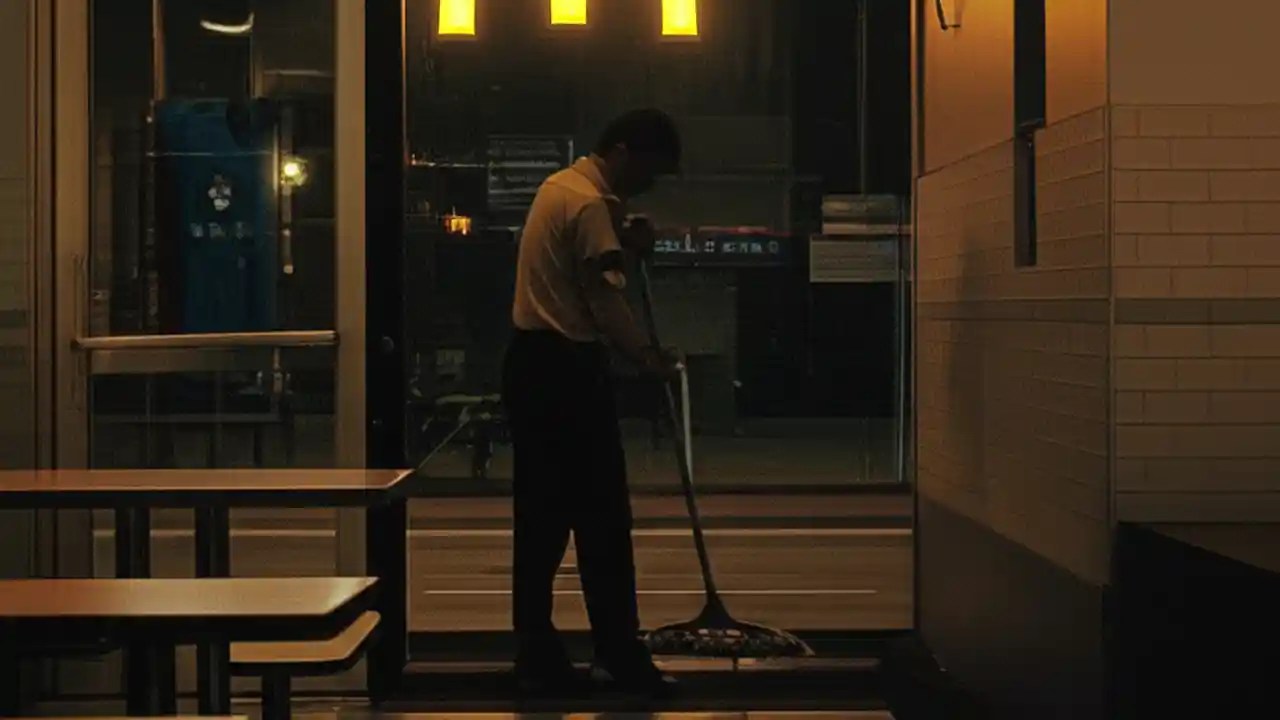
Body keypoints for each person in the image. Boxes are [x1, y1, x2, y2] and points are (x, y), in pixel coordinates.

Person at [503, 109, 682, 695]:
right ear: (626, 153)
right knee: (604, 521)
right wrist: (647, 358)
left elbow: (586, 263)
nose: (647, 186)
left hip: (530, 364)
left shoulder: (561, 189)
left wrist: (622, 241)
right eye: (649, 172)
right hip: (568, 373)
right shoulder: (587, 207)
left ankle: (536, 653)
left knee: (542, 521)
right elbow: (604, 302)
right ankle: (618, 654)